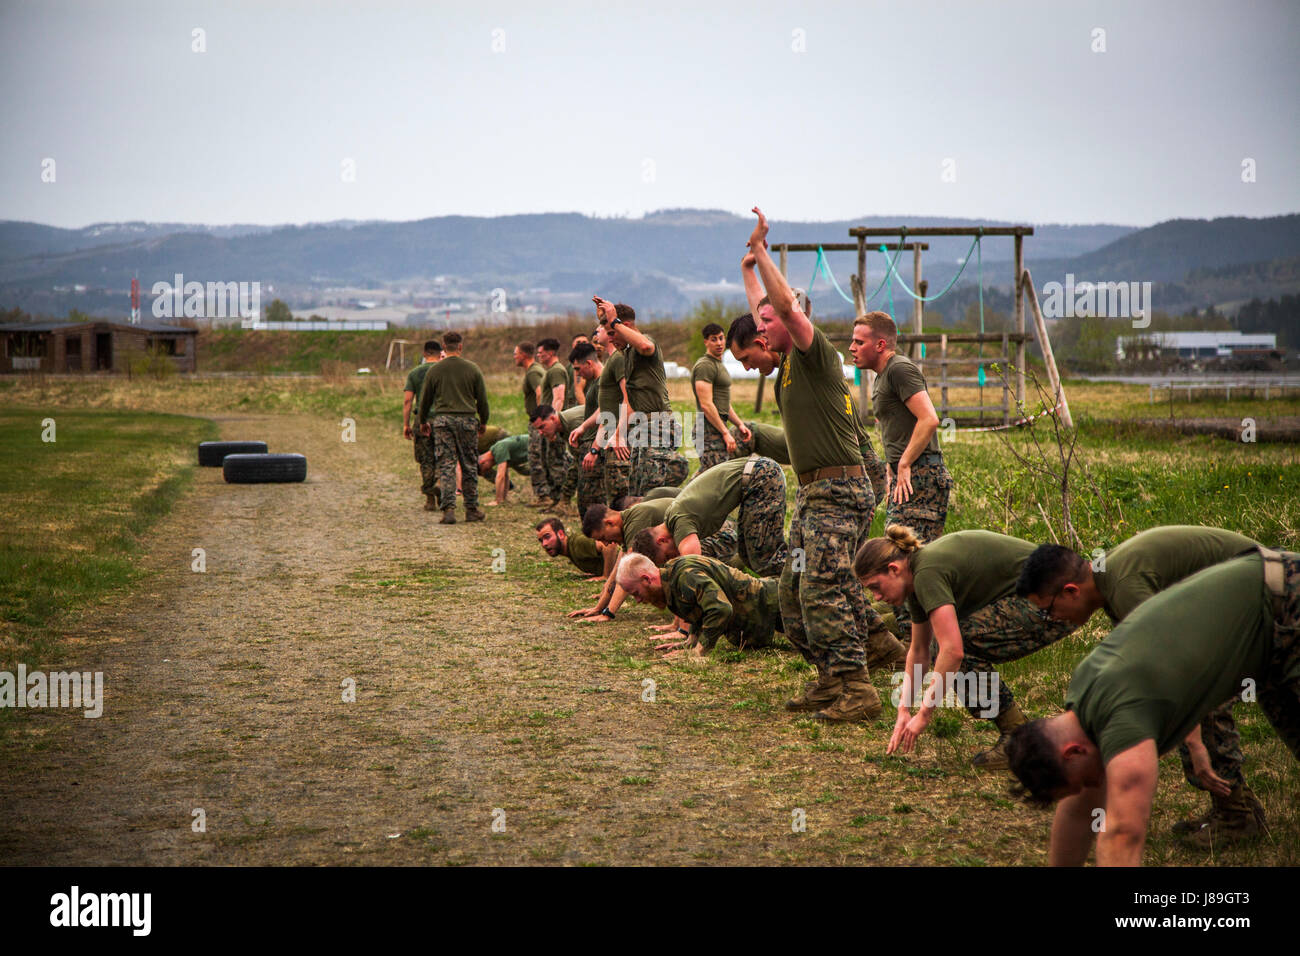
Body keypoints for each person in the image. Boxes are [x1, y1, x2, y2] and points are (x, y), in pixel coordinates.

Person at [1005, 547, 1298, 866]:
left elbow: (1122, 835)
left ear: (1073, 752)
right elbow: (1079, 813)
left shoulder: (1123, 725)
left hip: (1287, 601)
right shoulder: (1083, 694)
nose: (1093, 787)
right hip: (1268, 627)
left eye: (1085, 781)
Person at [728, 207, 879, 723]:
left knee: (822, 587)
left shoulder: (817, 356)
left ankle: (858, 686)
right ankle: (831, 677)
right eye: (760, 322)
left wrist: (764, 252)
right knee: (792, 593)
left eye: (769, 322)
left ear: (795, 322)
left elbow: (785, 308)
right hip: (814, 495)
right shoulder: (786, 362)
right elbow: (768, 310)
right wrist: (749, 269)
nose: (761, 329)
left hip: (841, 492)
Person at [855, 526, 1077, 768]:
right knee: (946, 645)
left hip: (1063, 597)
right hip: (1058, 592)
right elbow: (919, 650)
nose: (875, 598)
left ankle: (1018, 737)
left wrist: (924, 715)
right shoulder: (917, 577)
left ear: (894, 569)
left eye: (875, 587)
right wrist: (904, 710)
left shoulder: (926, 573)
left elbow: (953, 651)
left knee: (954, 646)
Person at [850, 311, 953, 646]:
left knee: (910, 565)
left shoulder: (899, 369)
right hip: (907, 477)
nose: (852, 347)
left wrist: (905, 463)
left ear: (881, 344)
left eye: (859, 341)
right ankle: (916, 647)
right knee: (900, 564)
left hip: (921, 477)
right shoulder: (882, 376)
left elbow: (929, 419)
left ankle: (929, 650)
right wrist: (893, 466)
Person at [628, 455, 787, 577]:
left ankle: (806, 576)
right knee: (747, 555)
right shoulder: (673, 517)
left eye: (668, 555)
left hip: (761, 476)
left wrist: (680, 619)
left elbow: (693, 571)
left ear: (661, 540)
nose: (674, 558)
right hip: (756, 476)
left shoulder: (679, 522)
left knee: (764, 556)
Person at [597, 297, 688, 494]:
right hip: (642, 427)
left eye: (613, 333)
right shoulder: (628, 354)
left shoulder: (645, 344)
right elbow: (629, 400)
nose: (611, 339)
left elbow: (646, 346)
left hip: (657, 424)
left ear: (625, 325)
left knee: (650, 492)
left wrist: (615, 322)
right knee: (637, 489)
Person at [616, 553, 782, 659]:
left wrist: (700, 651)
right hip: (769, 608)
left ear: (647, 579)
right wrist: (692, 640)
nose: (637, 600)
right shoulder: (673, 577)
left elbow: (720, 608)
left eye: (636, 593)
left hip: (780, 604)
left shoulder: (685, 575)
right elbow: (698, 607)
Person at [417, 331, 489, 525]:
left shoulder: (434, 370)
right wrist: (483, 422)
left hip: (443, 422)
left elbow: (425, 400)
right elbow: (482, 399)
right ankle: (471, 509)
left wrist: (423, 421)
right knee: (469, 464)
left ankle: (448, 510)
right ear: (460, 346)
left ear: (444, 346)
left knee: (447, 465)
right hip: (467, 421)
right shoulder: (473, 369)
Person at [692, 322, 750, 473]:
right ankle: (680, 497)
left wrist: (739, 424)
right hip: (707, 430)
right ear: (706, 342)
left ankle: (682, 496)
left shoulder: (719, 364)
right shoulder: (705, 366)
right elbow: (706, 405)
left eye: (721, 338)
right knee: (712, 476)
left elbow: (723, 404)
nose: (719, 343)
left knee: (710, 475)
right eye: (713, 339)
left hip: (716, 427)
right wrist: (725, 432)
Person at [585, 320, 631, 506]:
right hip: (610, 436)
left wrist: (619, 435)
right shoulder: (611, 360)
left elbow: (628, 399)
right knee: (613, 498)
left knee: (621, 500)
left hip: (619, 438)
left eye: (602, 328)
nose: (597, 331)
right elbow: (607, 410)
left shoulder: (619, 359)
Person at [566, 341, 606, 519]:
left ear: (588, 363)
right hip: (591, 443)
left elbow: (608, 414)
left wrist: (594, 449)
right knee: (585, 501)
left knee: (591, 503)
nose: (577, 374)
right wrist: (583, 427)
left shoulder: (603, 382)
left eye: (577, 368)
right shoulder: (595, 382)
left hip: (597, 447)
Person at [402, 339, 443, 511]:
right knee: (442, 455)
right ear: (439, 353)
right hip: (442, 418)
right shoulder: (444, 371)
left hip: (422, 419)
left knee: (425, 459)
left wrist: (406, 424)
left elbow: (408, 401)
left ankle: (430, 499)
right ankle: (441, 486)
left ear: (425, 354)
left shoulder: (415, 373)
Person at [515, 341, 550, 506]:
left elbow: (540, 393)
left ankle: (543, 496)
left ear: (523, 355)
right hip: (540, 421)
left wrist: (539, 418)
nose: (514, 357)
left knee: (536, 457)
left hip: (539, 421)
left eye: (516, 354)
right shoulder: (533, 370)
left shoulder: (533, 372)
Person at [527, 405, 575, 516]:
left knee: (556, 464)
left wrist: (554, 423)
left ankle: (564, 501)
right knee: (545, 462)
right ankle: (557, 500)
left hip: (554, 421)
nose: (539, 432)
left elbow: (559, 395)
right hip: (548, 419)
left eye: (541, 428)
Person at [535, 516, 615, 579]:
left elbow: (610, 546)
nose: (544, 544)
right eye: (541, 540)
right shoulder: (570, 550)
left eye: (547, 537)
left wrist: (606, 575)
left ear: (561, 534)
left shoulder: (577, 542)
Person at [478, 432, 529, 506]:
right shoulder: (496, 451)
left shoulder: (498, 449)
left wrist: (497, 501)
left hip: (537, 443)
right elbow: (505, 476)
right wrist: (503, 500)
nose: (489, 469)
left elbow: (500, 477)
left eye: (486, 469)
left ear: (483, 462)